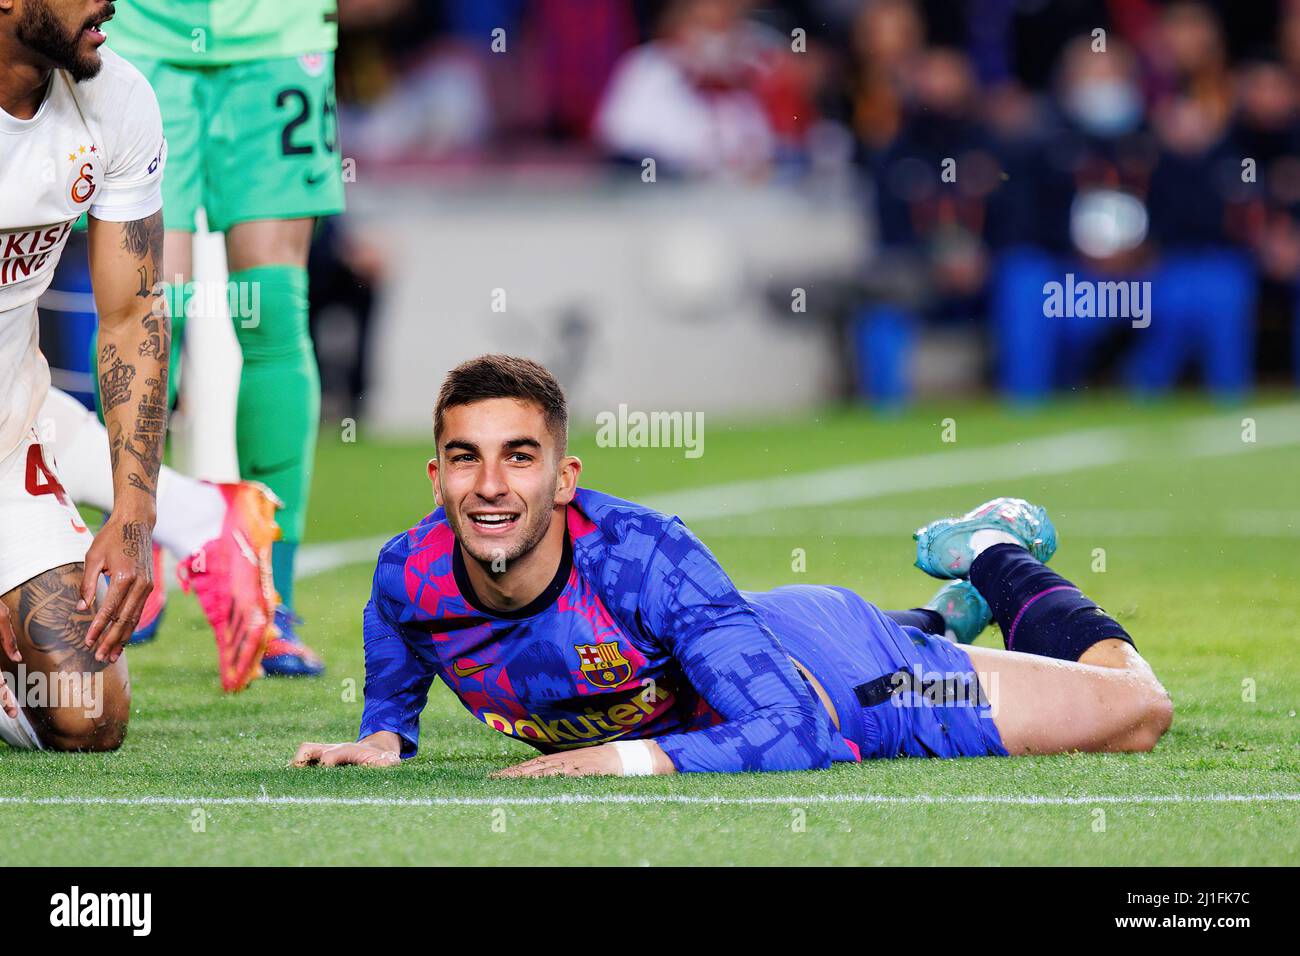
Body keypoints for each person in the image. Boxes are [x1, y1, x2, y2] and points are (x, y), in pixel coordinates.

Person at [292, 355, 1172, 776]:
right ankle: (947, 611)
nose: (489, 486)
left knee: (1132, 710)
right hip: (747, 631)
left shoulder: (648, 561)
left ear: (565, 479)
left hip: (861, 682)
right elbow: (396, 627)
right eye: (465, 458)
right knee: (732, 643)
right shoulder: (407, 571)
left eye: (519, 457)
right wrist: (385, 731)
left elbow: (798, 732)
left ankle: (991, 551)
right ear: (435, 474)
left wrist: (627, 762)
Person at [101, 0, 345, 675]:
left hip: (275, 36)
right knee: (149, 309)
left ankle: (270, 596)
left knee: (272, 311)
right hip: (138, 32)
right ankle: (134, 544)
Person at [0, 0, 165, 749]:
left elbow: (132, 318)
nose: (111, 1)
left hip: (8, 440)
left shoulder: (117, 98)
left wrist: (133, 515)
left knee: (87, 716)